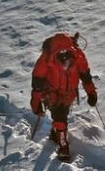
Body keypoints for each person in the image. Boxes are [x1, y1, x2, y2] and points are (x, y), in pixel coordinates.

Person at [30, 31, 98, 162]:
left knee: (61, 117)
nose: (65, 60)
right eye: (60, 56)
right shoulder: (46, 58)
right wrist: (36, 101)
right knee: (60, 118)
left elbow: (85, 76)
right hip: (51, 93)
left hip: (69, 94)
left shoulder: (78, 56)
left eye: (67, 55)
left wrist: (91, 93)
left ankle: (56, 134)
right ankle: (63, 148)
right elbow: (37, 82)